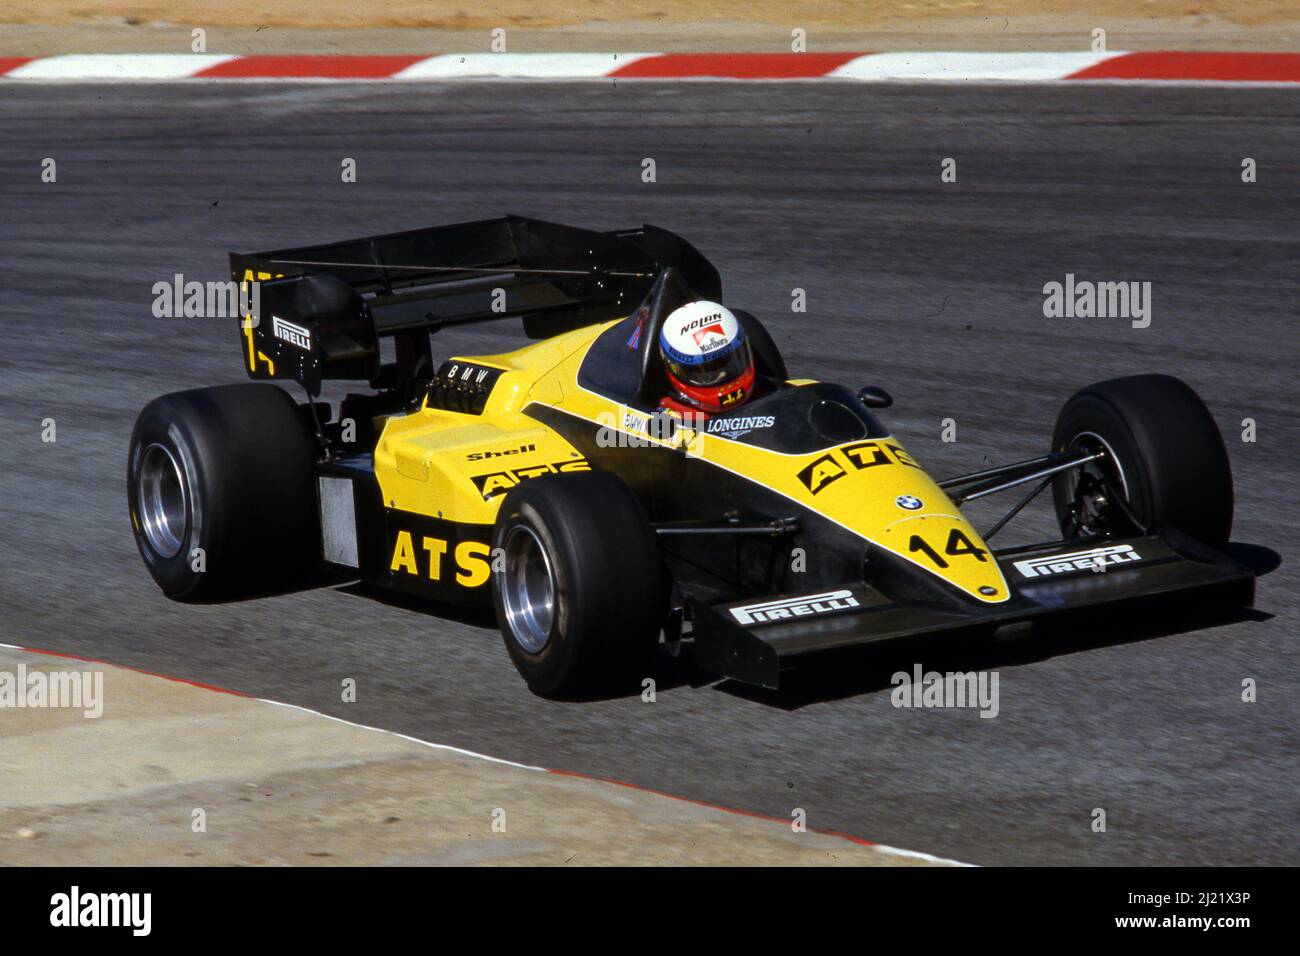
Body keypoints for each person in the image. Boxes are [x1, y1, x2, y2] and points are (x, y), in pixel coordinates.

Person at [656, 300, 756, 419]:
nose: (723, 374)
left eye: (729, 362)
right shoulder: (668, 417)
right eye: (709, 372)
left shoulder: (765, 393)